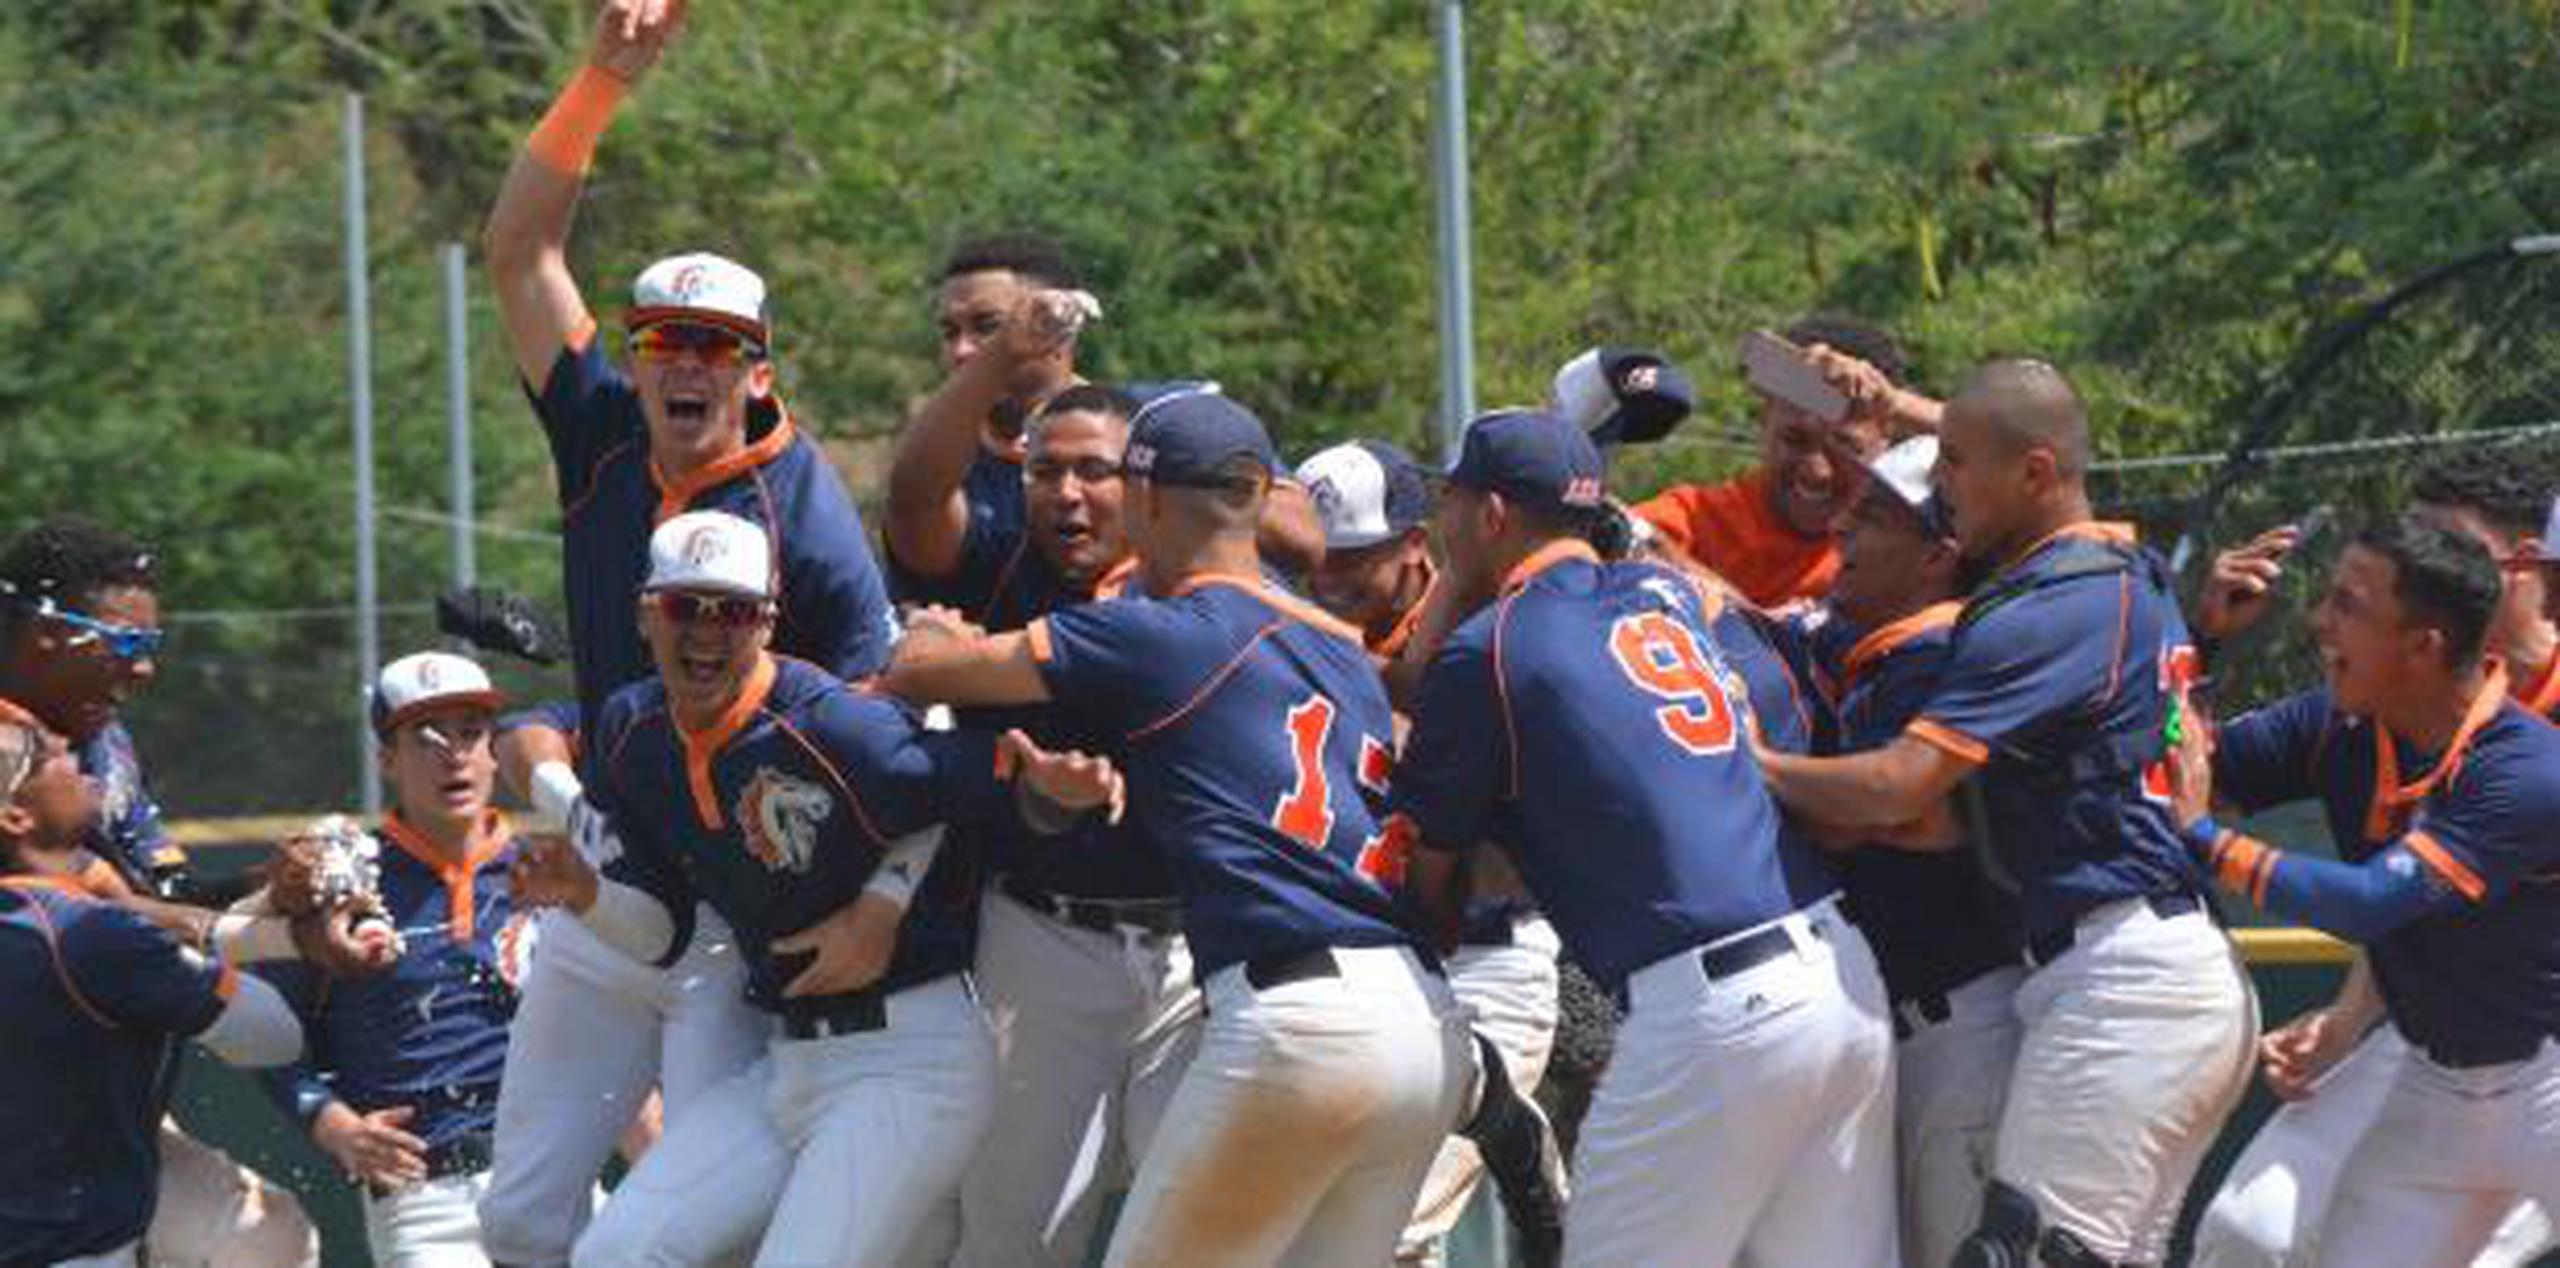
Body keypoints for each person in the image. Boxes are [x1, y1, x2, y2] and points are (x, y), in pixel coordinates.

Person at [476, 3, 902, 1259]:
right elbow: (517, 253)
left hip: (729, 902)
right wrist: (602, 80)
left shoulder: (804, 513)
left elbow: (875, 710)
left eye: (720, 345)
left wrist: (871, 889)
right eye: (667, 335)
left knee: (698, 1224)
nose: (688, 361)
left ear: (758, 370)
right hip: (599, 855)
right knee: (515, 1220)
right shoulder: (605, 425)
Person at [883, 390, 1473, 1267]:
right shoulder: (1342, 654)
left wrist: (927, 635)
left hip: (1293, 1014)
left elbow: (924, 674)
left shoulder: (1153, 634)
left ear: (1147, 502)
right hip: (1422, 1022)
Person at [509, 510, 1113, 1268]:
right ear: (644, 613)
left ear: (765, 623)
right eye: (682, 606)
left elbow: (977, 788)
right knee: (616, 1255)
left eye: (730, 610)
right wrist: (584, 894)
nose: (705, 630)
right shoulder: (635, 732)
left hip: (909, 1062)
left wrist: (1053, 795)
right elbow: (663, 933)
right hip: (787, 1065)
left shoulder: (829, 724)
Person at [1755, 360, 2256, 1266]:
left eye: (1954, 465)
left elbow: (1901, 788)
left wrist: (1750, 764)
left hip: (2124, 978)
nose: (1944, 487)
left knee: (2018, 1254)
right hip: (2145, 968)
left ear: (2032, 474)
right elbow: (2035, 429)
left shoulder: (2054, 603)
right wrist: (1896, 407)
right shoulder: (2119, 565)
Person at [1391, 409, 1896, 1266]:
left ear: (1492, 514)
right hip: (1840, 978)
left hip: (1711, 1012)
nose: (1442, 525)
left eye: (1453, 503)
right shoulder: (1662, 591)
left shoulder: (1492, 649)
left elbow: (1429, 884)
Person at [2189, 453, 2555, 1267]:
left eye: (2443, 544)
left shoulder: (2526, 755)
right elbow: (2187, 772)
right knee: (2249, 1234)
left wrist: (2201, 841)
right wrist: (2199, 647)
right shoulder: (2365, 708)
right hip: (2436, 1052)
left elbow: (2384, 896)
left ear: (2522, 563)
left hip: (2545, 1058)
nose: (2419, 557)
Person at [890, 381, 1203, 1268]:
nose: (1065, 493)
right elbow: (915, 502)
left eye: (1094, 470)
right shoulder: (994, 563)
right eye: (1044, 471)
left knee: (1209, 1221)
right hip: (1042, 938)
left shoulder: (1192, 586)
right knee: (1018, 1233)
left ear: (1145, 487)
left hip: (1192, 956)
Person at [0, 518, 324, 1268]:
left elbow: (158, 894)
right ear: (49, 629)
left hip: (96, 1108)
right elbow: (67, 913)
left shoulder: (97, 744)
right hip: (27, 1125)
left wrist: (269, 887)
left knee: (265, 1238)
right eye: (129, 642)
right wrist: (264, 935)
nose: (144, 670)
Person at [1296, 435, 1569, 1267]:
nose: (1327, 576)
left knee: (1394, 1227)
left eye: (1352, 556)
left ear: (1419, 545)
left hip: (1488, 951)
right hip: (1366, 972)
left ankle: (1528, 1154)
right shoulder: (1303, 627)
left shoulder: (1490, 631)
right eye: (1314, 556)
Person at [1816, 435, 2027, 1266]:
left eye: (1872, 516)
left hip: (1966, 1027)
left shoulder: (1938, 654)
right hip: (1921, 1031)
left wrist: (1753, 771)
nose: (1843, 531)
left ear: (1941, 552)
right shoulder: (1889, 652)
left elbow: (1871, 816)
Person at [254, 653, 535, 1268]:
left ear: (495, 749)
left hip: (550, 1178)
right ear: (386, 759)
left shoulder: (545, 871)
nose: (453, 754)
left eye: (470, 731)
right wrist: (332, 1124)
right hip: (422, 1202)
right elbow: (262, 1029)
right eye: (425, 737)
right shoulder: (343, 882)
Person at [1630, 317, 1941, 607]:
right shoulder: (1695, 522)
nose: (1817, 471)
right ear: (1765, 422)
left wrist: (1897, 404)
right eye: (1795, 440)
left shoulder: (1911, 549)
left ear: (1888, 439)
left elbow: (1989, 446)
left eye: (1846, 447)